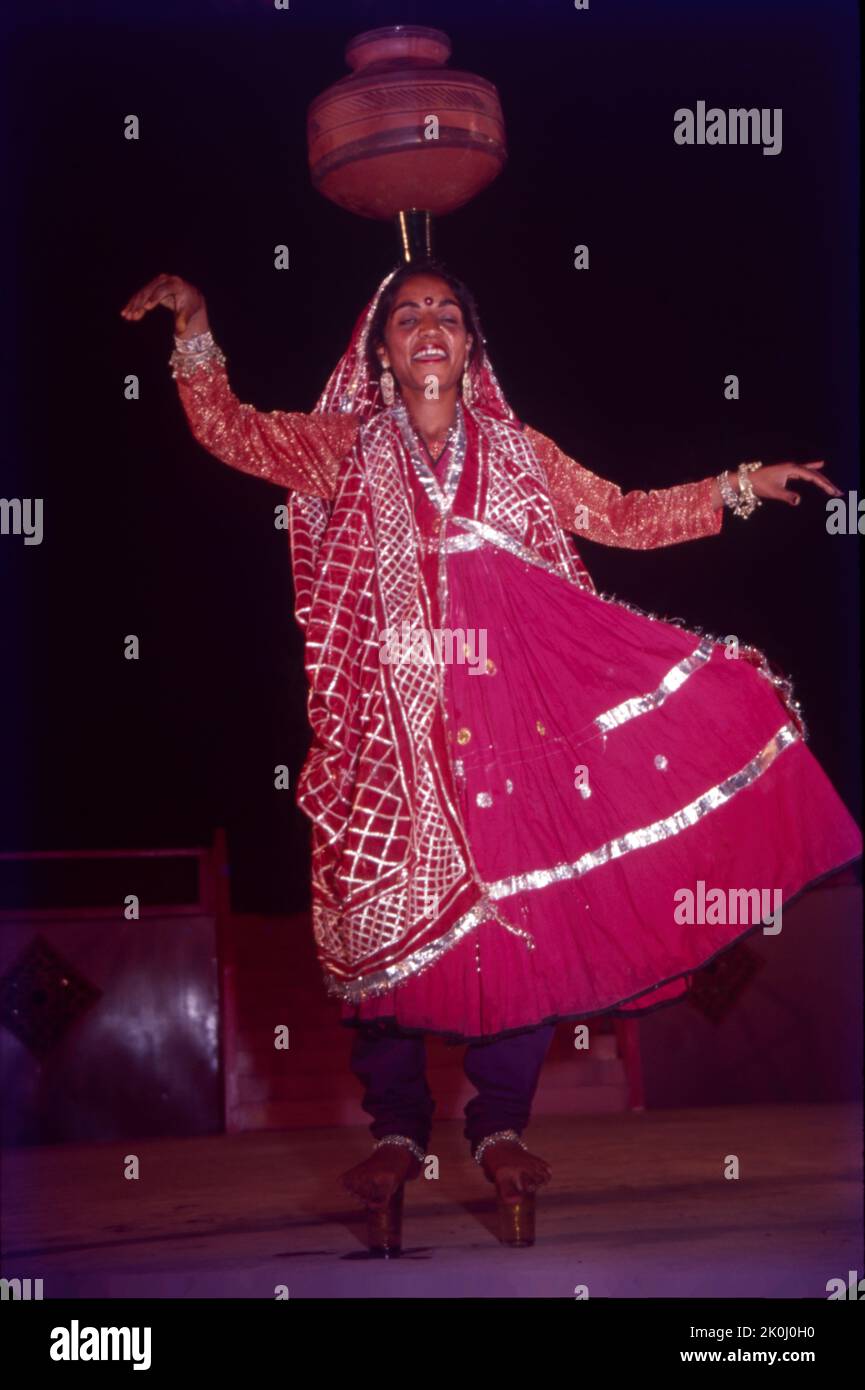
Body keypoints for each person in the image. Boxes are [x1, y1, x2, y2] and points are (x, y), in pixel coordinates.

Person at [121, 262, 862, 1248]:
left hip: (515, 734)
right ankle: (392, 1139)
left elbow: (625, 515)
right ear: (379, 352)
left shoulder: (519, 452)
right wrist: (196, 325)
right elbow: (228, 429)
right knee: (374, 921)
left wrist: (738, 485)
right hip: (384, 736)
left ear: (472, 347)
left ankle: (500, 1131)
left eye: (448, 314)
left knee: (523, 919)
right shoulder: (343, 447)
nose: (429, 325)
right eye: (407, 315)